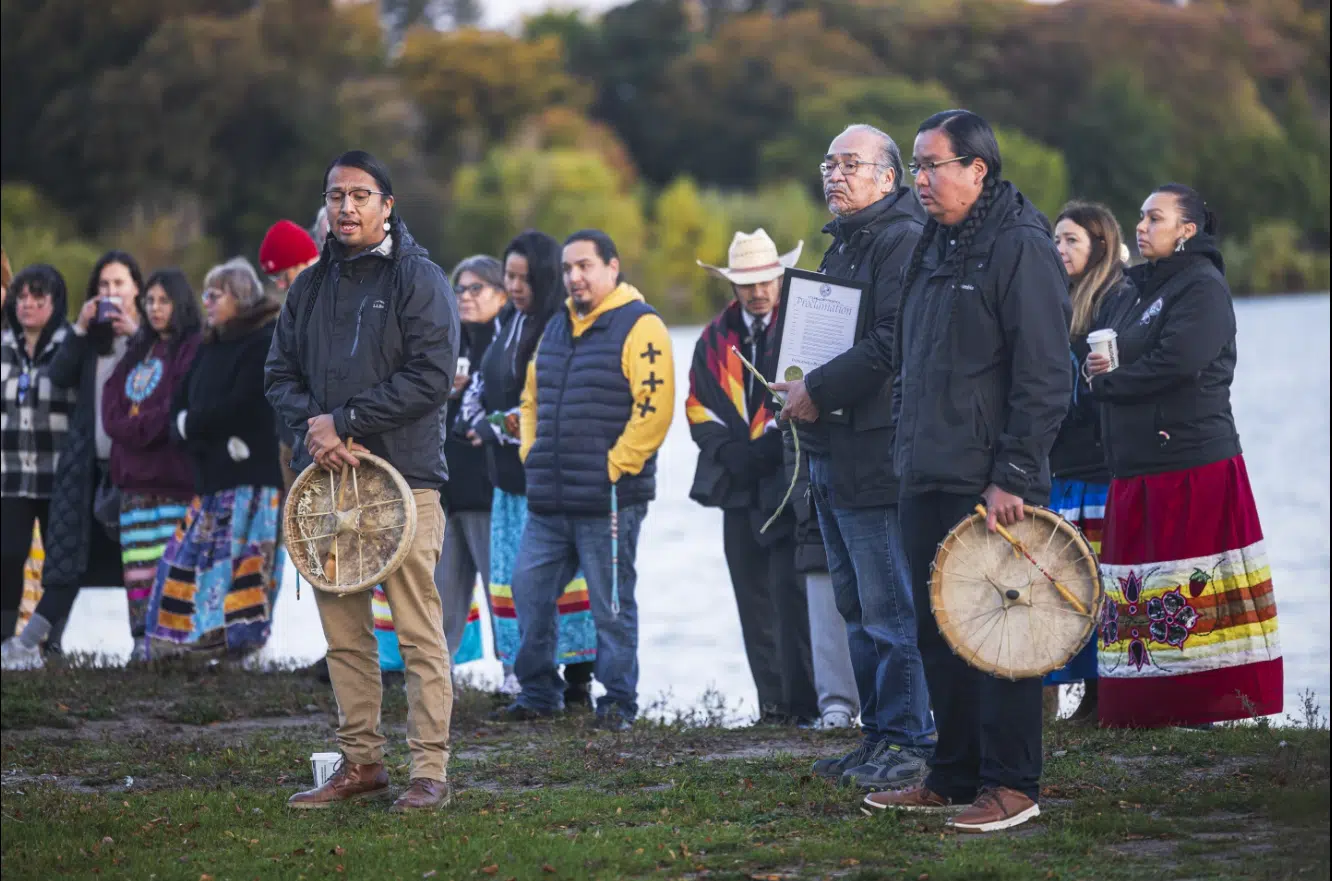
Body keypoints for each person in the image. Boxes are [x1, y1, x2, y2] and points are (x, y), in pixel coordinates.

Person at [867, 110, 1071, 833]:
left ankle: (1012, 784)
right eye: (916, 166)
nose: (920, 179)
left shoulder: (1021, 245)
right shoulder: (934, 242)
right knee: (940, 631)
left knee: (1002, 633)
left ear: (977, 170)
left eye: (933, 165)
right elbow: (913, 359)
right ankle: (953, 775)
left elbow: (1047, 373)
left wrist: (1013, 472)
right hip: (924, 470)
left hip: (995, 484)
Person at [268, 150, 460, 811]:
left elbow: (433, 375)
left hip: (405, 481)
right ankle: (362, 763)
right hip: (327, 490)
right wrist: (316, 429)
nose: (345, 207)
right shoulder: (309, 287)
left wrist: (346, 420)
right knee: (344, 634)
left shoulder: (419, 278)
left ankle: (429, 770)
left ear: (387, 205)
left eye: (359, 195)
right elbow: (278, 375)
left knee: (417, 630)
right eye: (335, 195)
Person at [770, 124, 933, 788]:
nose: (834, 175)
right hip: (830, 446)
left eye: (850, 164)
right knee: (855, 607)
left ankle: (911, 739)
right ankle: (876, 735)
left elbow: (895, 340)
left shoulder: (901, 240)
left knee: (890, 607)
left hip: (876, 449)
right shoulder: (843, 247)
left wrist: (819, 385)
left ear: (888, 177)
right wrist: (796, 379)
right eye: (828, 163)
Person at [1088, 184, 1282, 729]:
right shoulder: (1131, 291)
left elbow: (1181, 360)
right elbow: (1117, 363)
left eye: (1155, 218)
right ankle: (1146, 708)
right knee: (1140, 589)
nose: (1142, 227)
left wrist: (1112, 384)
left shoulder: (1203, 287)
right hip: (1135, 467)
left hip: (1192, 464)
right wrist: (1098, 375)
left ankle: (1206, 708)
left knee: (1190, 588)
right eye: (1141, 218)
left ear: (1188, 230)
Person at [500, 229, 674, 730]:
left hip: (611, 499)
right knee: (527, 590)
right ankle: (538, 691)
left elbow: (654, 409)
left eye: (585, 266)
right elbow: (530, 398)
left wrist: (613, 467)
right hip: (550, 500)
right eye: (567, 268)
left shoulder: (642, 326)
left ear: (612, 267)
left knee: (611, 606)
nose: (574, 276)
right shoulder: (556, 326)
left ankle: (618, 701)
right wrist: (531, 450)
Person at [688, 229, 817, 726]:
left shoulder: (801, 328)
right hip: (735, 484)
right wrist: (731, 450)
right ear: (733, 285)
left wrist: (767, 446)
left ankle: (804, 704)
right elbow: (697, 405)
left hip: (787, 478)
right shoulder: (713, 337)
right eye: (747, 282)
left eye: (766, 280)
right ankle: (772, 704)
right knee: (751, 597)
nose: (758, 290)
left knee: (792, 594)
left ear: (779, 278)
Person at [469, 230, 597, 703]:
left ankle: (578, 679)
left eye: (525, 277)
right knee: (511, 580)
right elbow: (480, 388)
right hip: (505, 481)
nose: (515, 286)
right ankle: (523, 673)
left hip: (546, 482)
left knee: (560, 583)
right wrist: (478, 420)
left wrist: (493, 427)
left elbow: (549, 405)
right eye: (509, 276)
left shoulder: (560, 326)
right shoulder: (508, 325)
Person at [2, 252, 143, 669]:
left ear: (137, 287)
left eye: (119, 284)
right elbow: (59, 377)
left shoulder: (146, 338)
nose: (111, 294)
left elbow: (162, 376)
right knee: (60, 560)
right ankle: (27, 645)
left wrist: (134, 333)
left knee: (137, 558)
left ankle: (144, 646)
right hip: (69, 469)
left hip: (127, 467)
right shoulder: (84, 341)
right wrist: (83, 329)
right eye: (103, 286)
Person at [139, 258, 282, 660]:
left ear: (239, 296)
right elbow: (180, 403)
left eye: (215, 295)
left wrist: (192, 424)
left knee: (244, 565)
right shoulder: (210, 343)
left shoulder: (262, 342)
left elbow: (246, 404)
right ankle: (183, 645)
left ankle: (243, 647)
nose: (207, 303)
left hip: (251, 480)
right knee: (185, 561)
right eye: (205, 295)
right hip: (211, 477)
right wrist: (186, 429)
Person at [1041, 201, 1134, 723]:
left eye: (1071, 240)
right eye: (1056, 240)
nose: (1060, 249)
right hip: (1062, 467)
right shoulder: (1057, 299)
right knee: (1064, 582)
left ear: (1099, 245)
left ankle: (1103, 694)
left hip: (1102, 468)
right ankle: (1064, 692)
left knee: (1103, 583)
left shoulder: (1118, 299)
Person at [102, 268, 203, 660]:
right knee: (139, 573)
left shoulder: (192, 347)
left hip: (175, 482)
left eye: (164, 301)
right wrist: (131, 427)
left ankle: (177, 647)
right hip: (133, 485)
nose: (156, 309)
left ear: (180, 304)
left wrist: (135, 427)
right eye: (151, 302)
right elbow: (111, 408)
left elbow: (175, 404)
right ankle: (143, 645)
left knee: (175, 569)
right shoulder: (138, 348)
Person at [1, 265, 75, 650]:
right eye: (21, 298)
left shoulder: (71, 343)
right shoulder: (3, 343)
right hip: (9, 474)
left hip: (58, 475)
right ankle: (5, 640)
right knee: (7, 555)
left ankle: (51, 644)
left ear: (54, 302)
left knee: (57, 563)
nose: (26, 305)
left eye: (37, 298)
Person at [437, 255, 506, 663]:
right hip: (446, 489)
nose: (465, 296)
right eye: (459, 289)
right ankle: (437, 685)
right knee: (442, 594)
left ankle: (517, 680)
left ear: (500, 292)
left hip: (490, 489)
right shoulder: (447, 339)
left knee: (502, 592)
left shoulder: (510, 340)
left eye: (475, 288)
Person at [787, 439, 859, 729]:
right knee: (824, 603)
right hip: (815, 494)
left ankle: (894, 713)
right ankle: (836, 703)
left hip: (875, 484)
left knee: (887, 604)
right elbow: (790, 438)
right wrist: (800, 499)